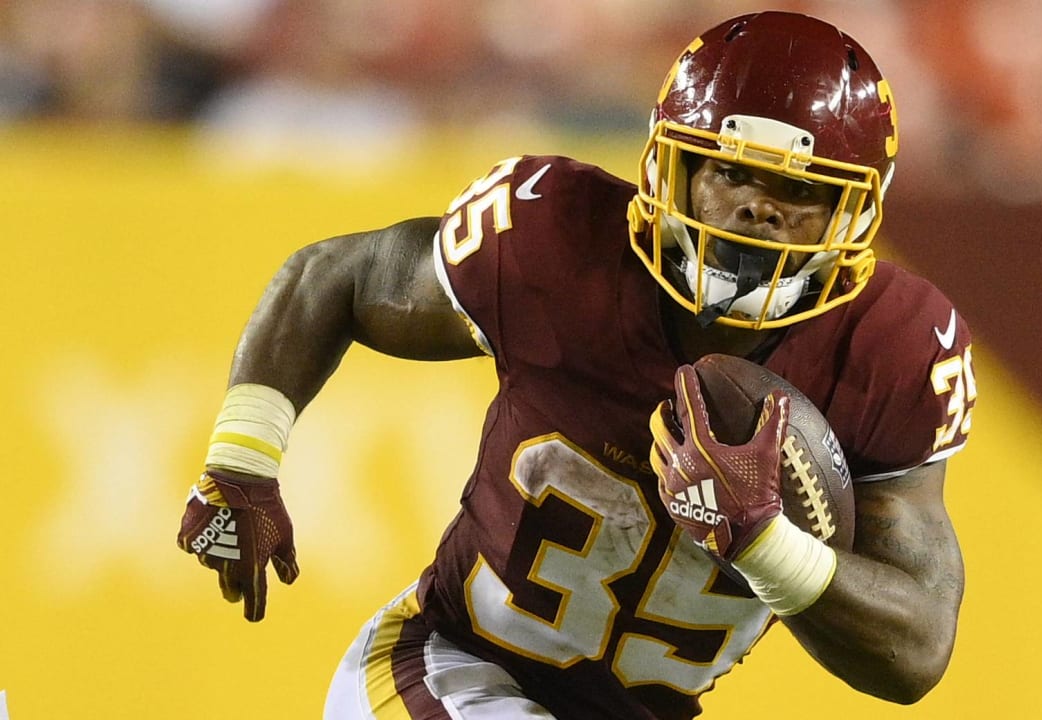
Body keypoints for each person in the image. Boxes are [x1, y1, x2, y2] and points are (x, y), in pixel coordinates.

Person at [177, 11, 976, 719]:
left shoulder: (891, 351)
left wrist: (764, 543)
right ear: (675, 169)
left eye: (795, 189)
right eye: (730, 171)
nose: (756, 208)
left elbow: (916, 653)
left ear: (856, 211)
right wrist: (243, 461)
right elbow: (337, 277)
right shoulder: (559, 241)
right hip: (451, 667)